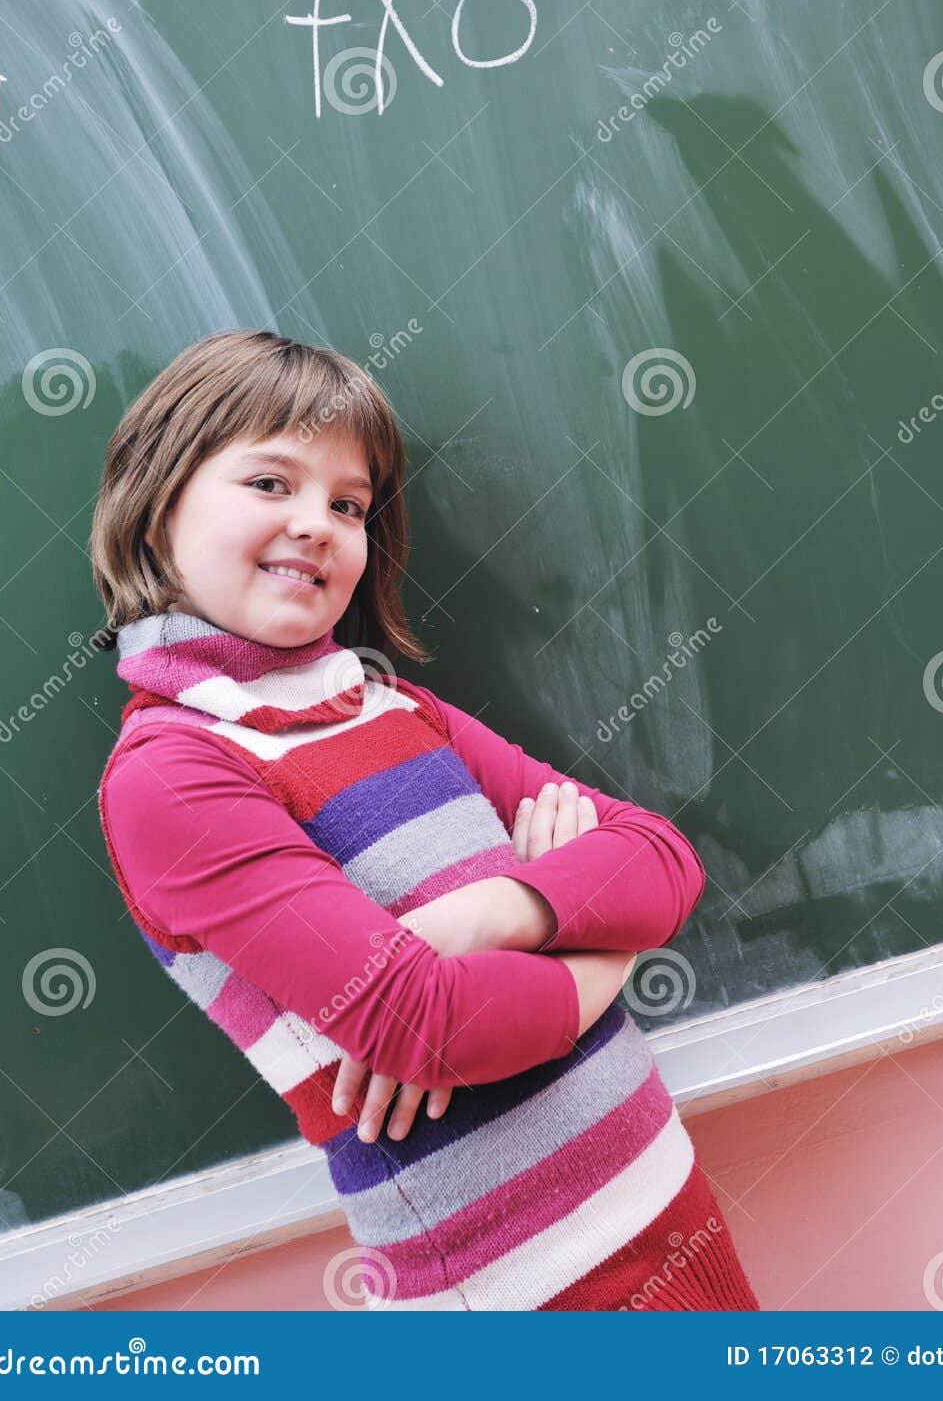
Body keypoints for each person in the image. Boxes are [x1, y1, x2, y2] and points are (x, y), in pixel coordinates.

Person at [90, 327, 759, 1312]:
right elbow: (424, 1024)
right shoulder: (172, 774)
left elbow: (661, 857)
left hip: (668, 1204)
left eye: (347, 502)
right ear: (155, 517)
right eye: (271, 484)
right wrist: (606, 949)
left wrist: (497, 912)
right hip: (524, 1292)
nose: (317, 523)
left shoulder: (389, 707)